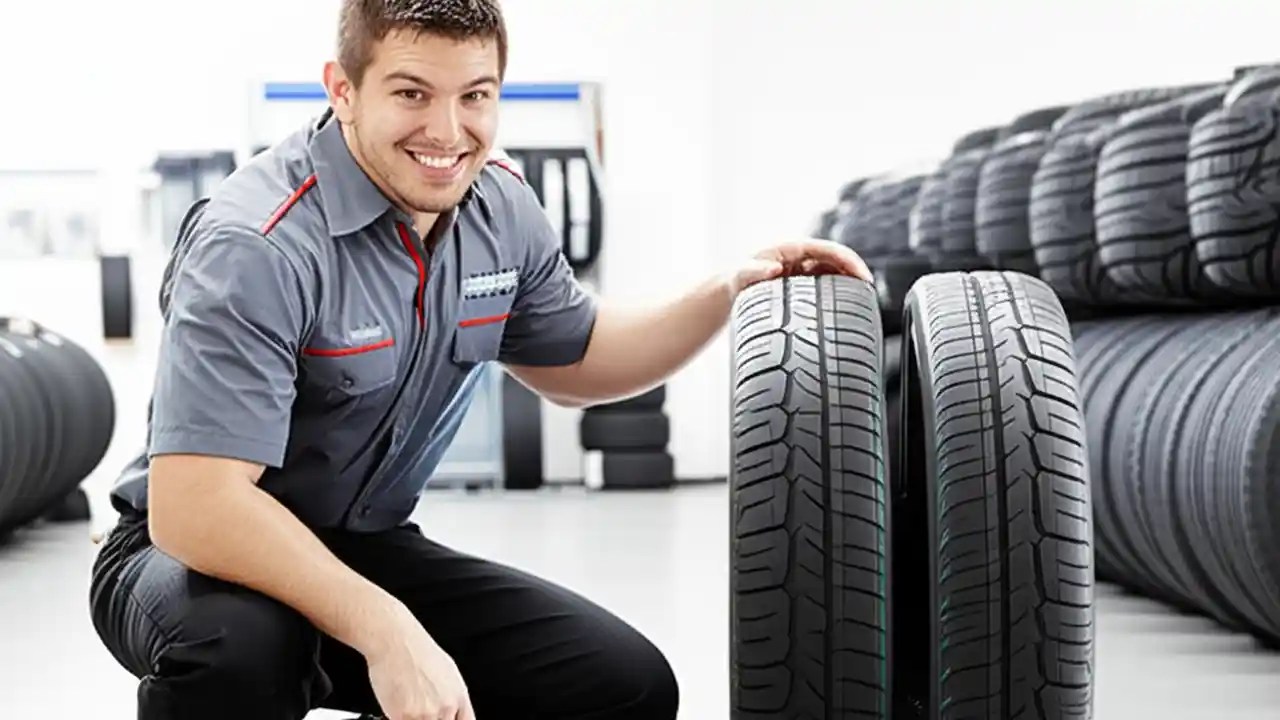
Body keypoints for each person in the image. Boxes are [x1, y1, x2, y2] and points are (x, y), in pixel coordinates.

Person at [87, 1, 874, 719]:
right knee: (246, 652)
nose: (447, 130)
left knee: (624, 685)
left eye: (475, 96)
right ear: (342, 90)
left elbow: (580, 359)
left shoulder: (499, 208)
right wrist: (387, 629)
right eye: (411, 93)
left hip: (364, 544)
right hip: (189, 553)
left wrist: (730, 291)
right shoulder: (256, 244)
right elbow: (198, 507)